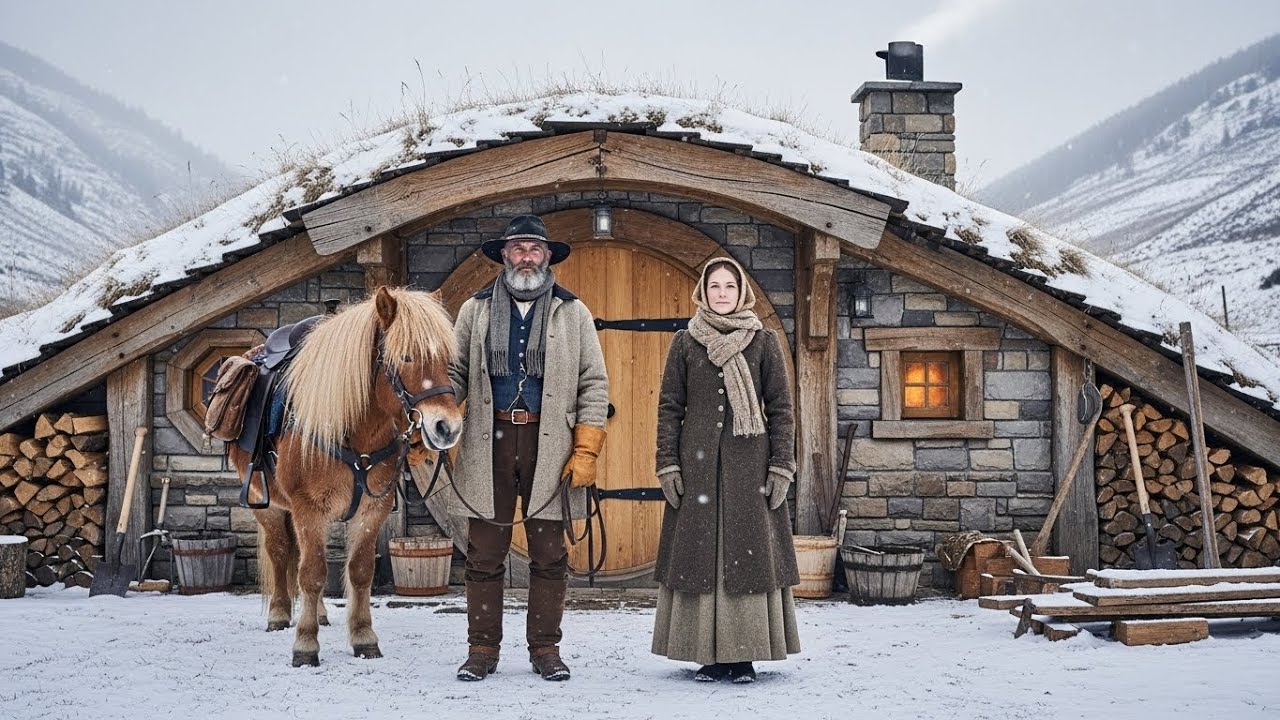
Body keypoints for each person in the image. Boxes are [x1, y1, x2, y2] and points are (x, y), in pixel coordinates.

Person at [448, 214, 609, 682]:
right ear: (503, 255)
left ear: (546, 256)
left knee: (549, 553)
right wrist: (432, 426)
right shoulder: (474, 310)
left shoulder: (572, 311)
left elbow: (593, 383)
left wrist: (586, 449)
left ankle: (544, 650)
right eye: (517, 248)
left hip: (550, 444)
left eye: (533, 249)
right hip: (488, 440)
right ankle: (481, 650)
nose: (525, 256)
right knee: (483, 553)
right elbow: (455, 374)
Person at [651, 256, 800, 684]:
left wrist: (781, 467)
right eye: (714, 286)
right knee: (701, 558)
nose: (721, 294)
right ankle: (706, 655)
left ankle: (745, 655)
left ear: (742, 293)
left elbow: (782, 410)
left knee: (748, 558)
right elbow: (669, 409)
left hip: (750, 468)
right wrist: (667, 464)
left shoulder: (763, 342)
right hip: (696, 469)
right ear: (703, 292)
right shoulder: (684, 342)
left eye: (729, 287)